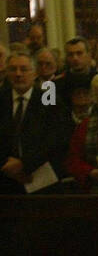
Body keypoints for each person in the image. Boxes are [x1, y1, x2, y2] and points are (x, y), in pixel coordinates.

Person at [1, 51, 68, 194]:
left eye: (24, 69)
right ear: (6, 72)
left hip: (40, 179)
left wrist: (24, 164)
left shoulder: (48, 99)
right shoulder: (1, 98)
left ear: (34, 73)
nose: (18, 74)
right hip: (5, 179)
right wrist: (7, 166)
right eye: (13, 69)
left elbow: (56, 139)